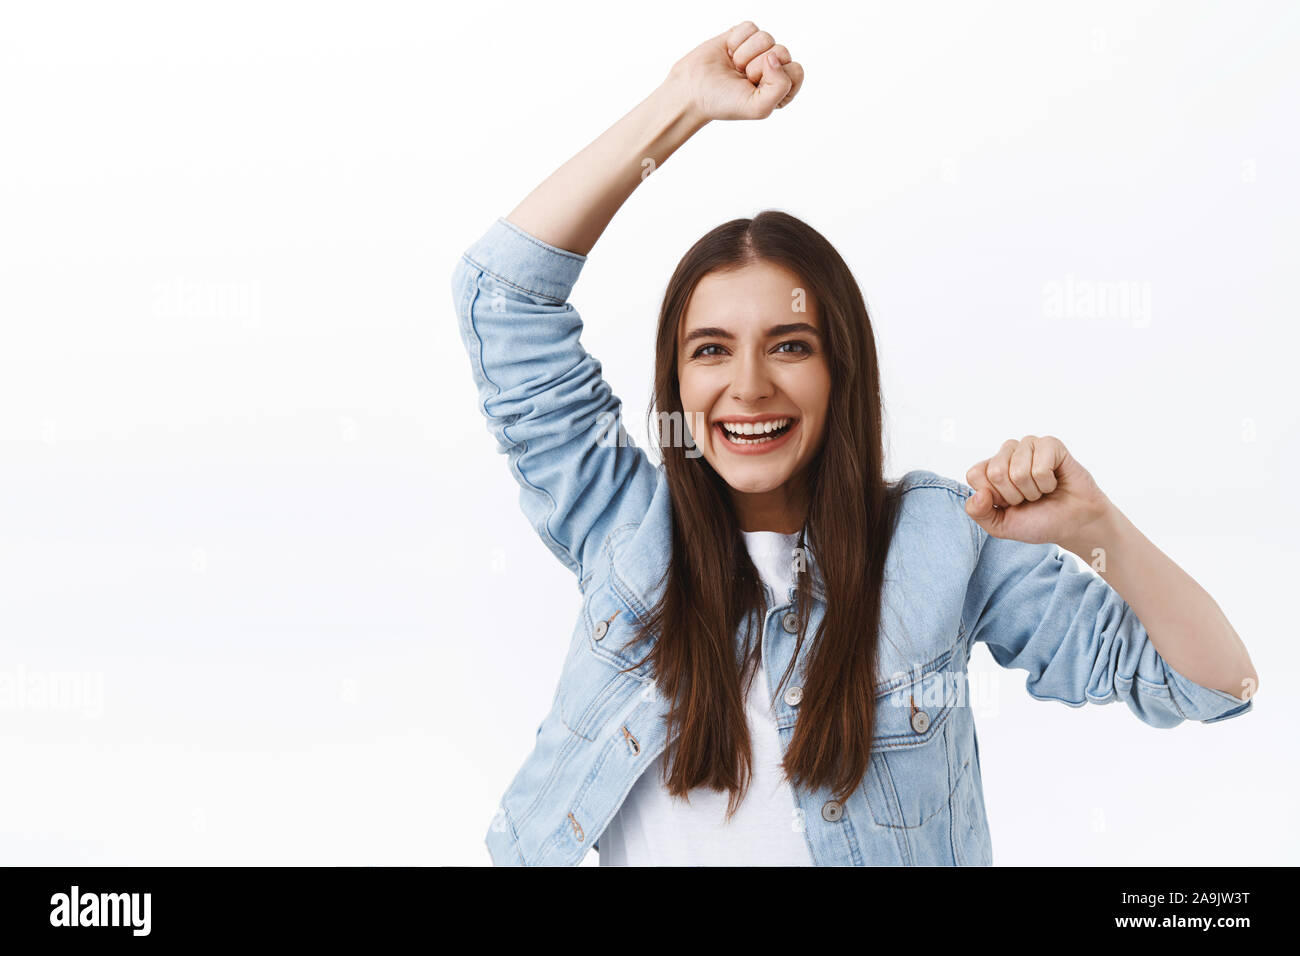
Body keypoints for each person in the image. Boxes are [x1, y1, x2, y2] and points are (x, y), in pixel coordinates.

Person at [450, 21, 1259, 866]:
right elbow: (500, 297)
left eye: (790, 346)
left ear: (842, 373)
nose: (750, 385)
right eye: (711, 349)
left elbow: (1213, 685)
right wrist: (680, 104)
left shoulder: (945, 539)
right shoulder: (622, 526)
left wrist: (1098, 532)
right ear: (677, 382)